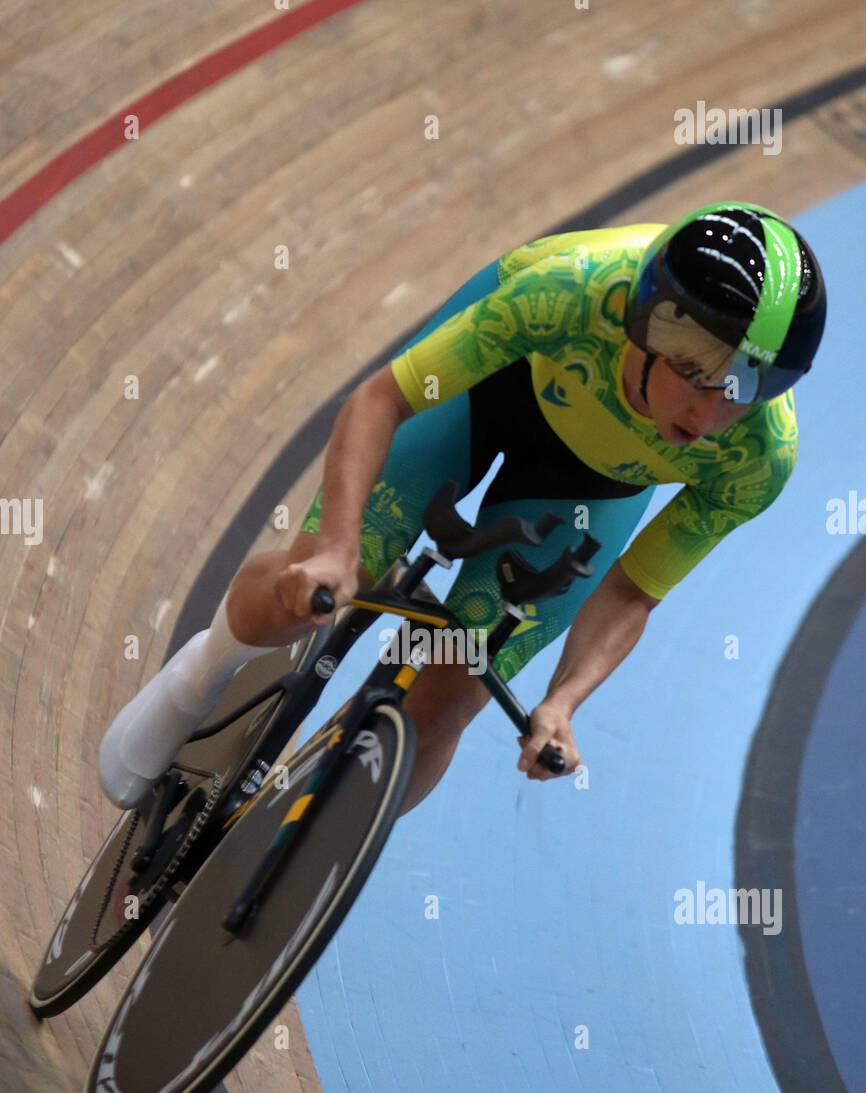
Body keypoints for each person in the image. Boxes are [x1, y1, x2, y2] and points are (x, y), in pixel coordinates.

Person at [99, 200, 827, 813]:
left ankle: (299, 854)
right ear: (648, 324)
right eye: (696, 375)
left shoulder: (759, 457)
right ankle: (200, 672)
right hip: (488, 389)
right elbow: (381, 399)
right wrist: (336, 545)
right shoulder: (571, 291)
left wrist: (563, 702)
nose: (710, 411)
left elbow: (635, 590)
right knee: (320, 577)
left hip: (586, 490)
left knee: (453, 688)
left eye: (743, 389)